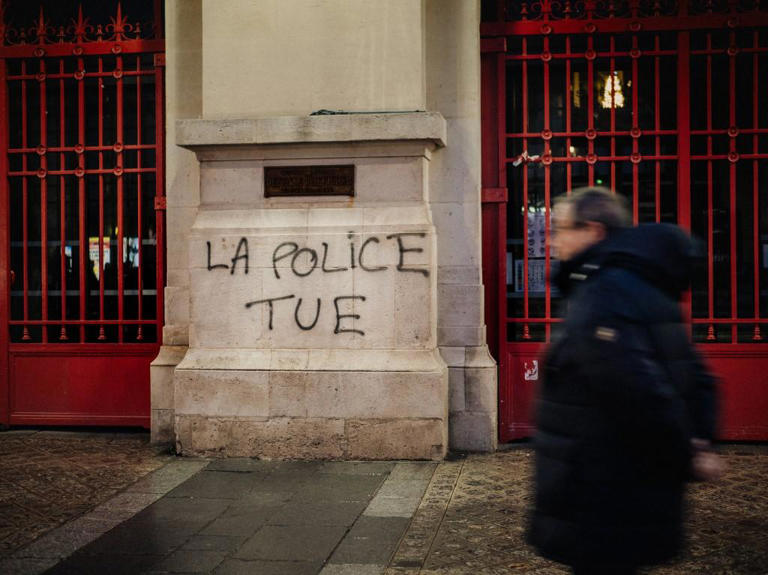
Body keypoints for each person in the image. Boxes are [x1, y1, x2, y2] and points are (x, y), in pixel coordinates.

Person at [527, 187, 722, 575]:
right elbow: (698, 377)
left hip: (603, 488)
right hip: (622, 484)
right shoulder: (638, 285)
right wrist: (699, 439)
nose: (552, 239)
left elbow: (639, 389)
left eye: (562, 228)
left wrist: (686, 452)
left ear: (594, 231)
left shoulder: (605, 293)